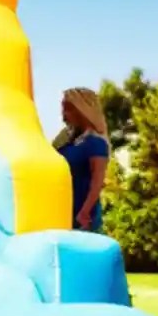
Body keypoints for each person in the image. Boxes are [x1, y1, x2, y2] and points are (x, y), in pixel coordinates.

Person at [52, 87, 111, 232]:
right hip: (60, 214)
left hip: (82, 219)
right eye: (63, 108)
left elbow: (97, 181)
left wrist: (85, 212)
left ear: (82, 110)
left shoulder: (95, 143)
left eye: (68, 109)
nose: (64, 114)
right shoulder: (66, 143)